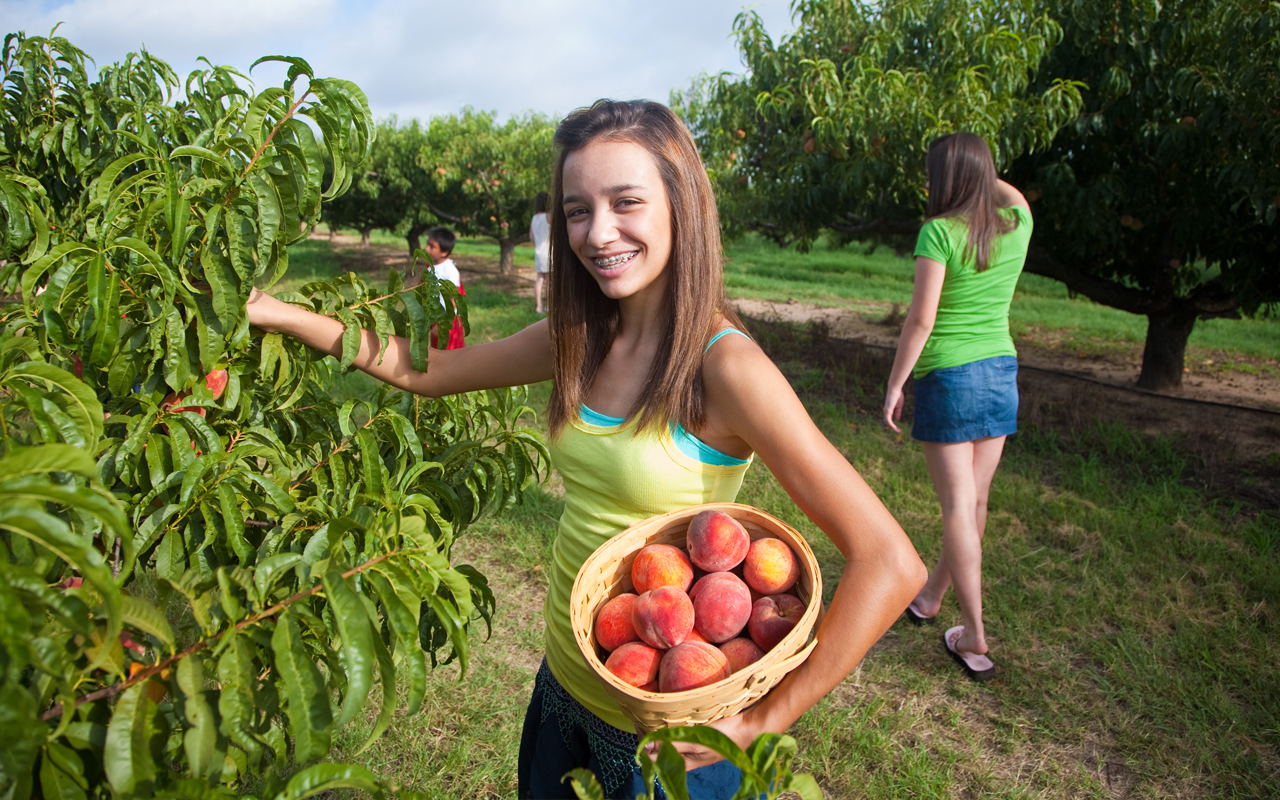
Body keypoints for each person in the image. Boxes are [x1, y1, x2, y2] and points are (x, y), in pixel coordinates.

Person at [248, 99, 925, 800]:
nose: (598, 233)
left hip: (666, 727)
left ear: (680, 206)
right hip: (569, 678)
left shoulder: (724, 368)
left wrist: (764, 718)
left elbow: (890, 562)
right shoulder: (579, 335)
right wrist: (279, 313)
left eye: (626, 201)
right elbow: (427, 372)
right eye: (577, 209)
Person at [882, 132, 1033, 683]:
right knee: (975, 503)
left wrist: (896, 383)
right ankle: (930, 600)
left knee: (957, 508)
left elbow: (920, 319)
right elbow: (1010, 194)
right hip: (1000, 374)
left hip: (950, 376)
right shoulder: (1015, 225)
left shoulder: (937, 232)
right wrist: (979, 172)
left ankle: (974, 634)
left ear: (944, 178)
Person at [423, 226, 465, 349]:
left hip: (448, 320)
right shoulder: (430, 266)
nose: (427, 249)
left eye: (432, 247)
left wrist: (443, 322)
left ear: (444, 252)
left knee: (450, 354)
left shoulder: (450, 271)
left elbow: (454, 299)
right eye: (427, 244)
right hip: (436, 317)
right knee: (437, 350)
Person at [530, 191, 551, 314]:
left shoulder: (534, 218)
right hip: (549, 251)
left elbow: (531, 236)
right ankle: (548, 305)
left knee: (539, 279)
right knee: (549, 280)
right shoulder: (549, 217)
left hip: (538, 251)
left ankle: (538, 306)